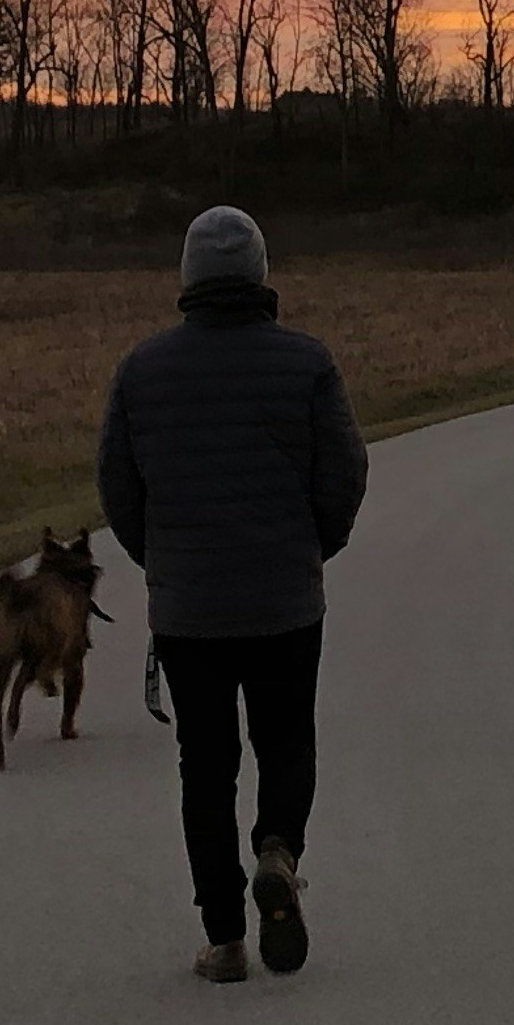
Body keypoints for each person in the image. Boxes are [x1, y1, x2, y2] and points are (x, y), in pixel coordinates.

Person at [96, 205, 367, 983]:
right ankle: (277, 846)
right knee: (287, 739)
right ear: (260, 275)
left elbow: (118, 485)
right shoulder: (307, 363)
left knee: (205, 764)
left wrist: (162, 560)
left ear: (187, 279)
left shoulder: (140, 371)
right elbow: (344, 473)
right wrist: (312, 548)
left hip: (190, 608)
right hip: (285, 598)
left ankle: (223, 939)